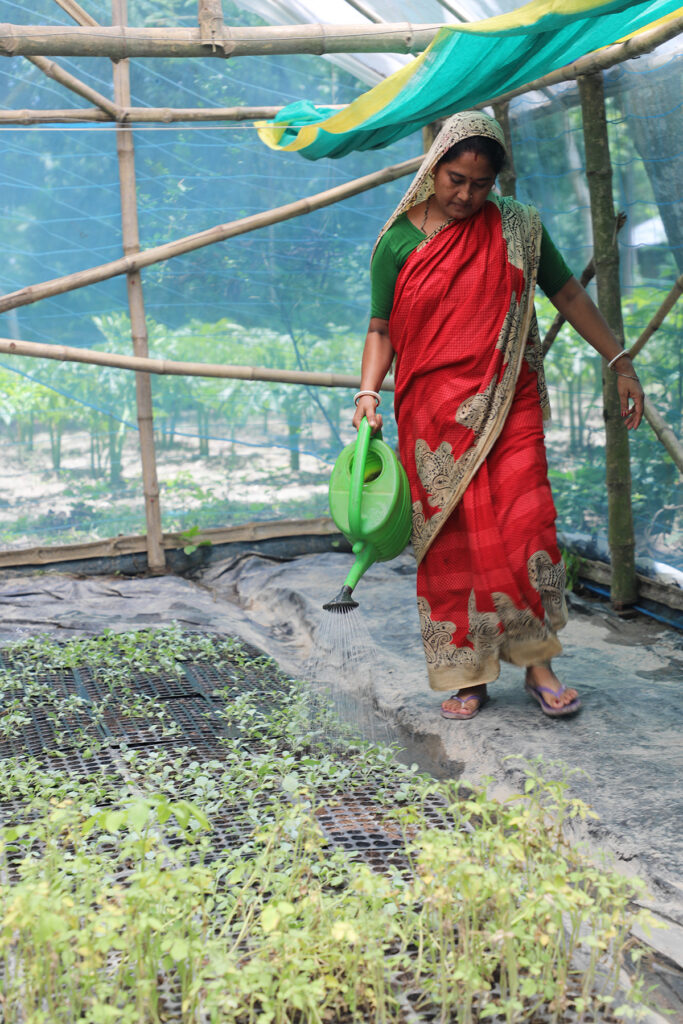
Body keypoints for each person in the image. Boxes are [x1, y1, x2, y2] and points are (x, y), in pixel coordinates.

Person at [352, 110, 644, 721]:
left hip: (510, 403)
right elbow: (381, 328)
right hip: (434, 417)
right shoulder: (398, 243)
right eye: (455, 179)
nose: (465, 196)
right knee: (450, 545)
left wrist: (620, 361)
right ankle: (467, 671)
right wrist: (367, 395)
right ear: (434, 168)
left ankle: (537, 662)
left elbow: (566, 293)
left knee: (522, 525)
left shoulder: (518, 229)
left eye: (480, 184)